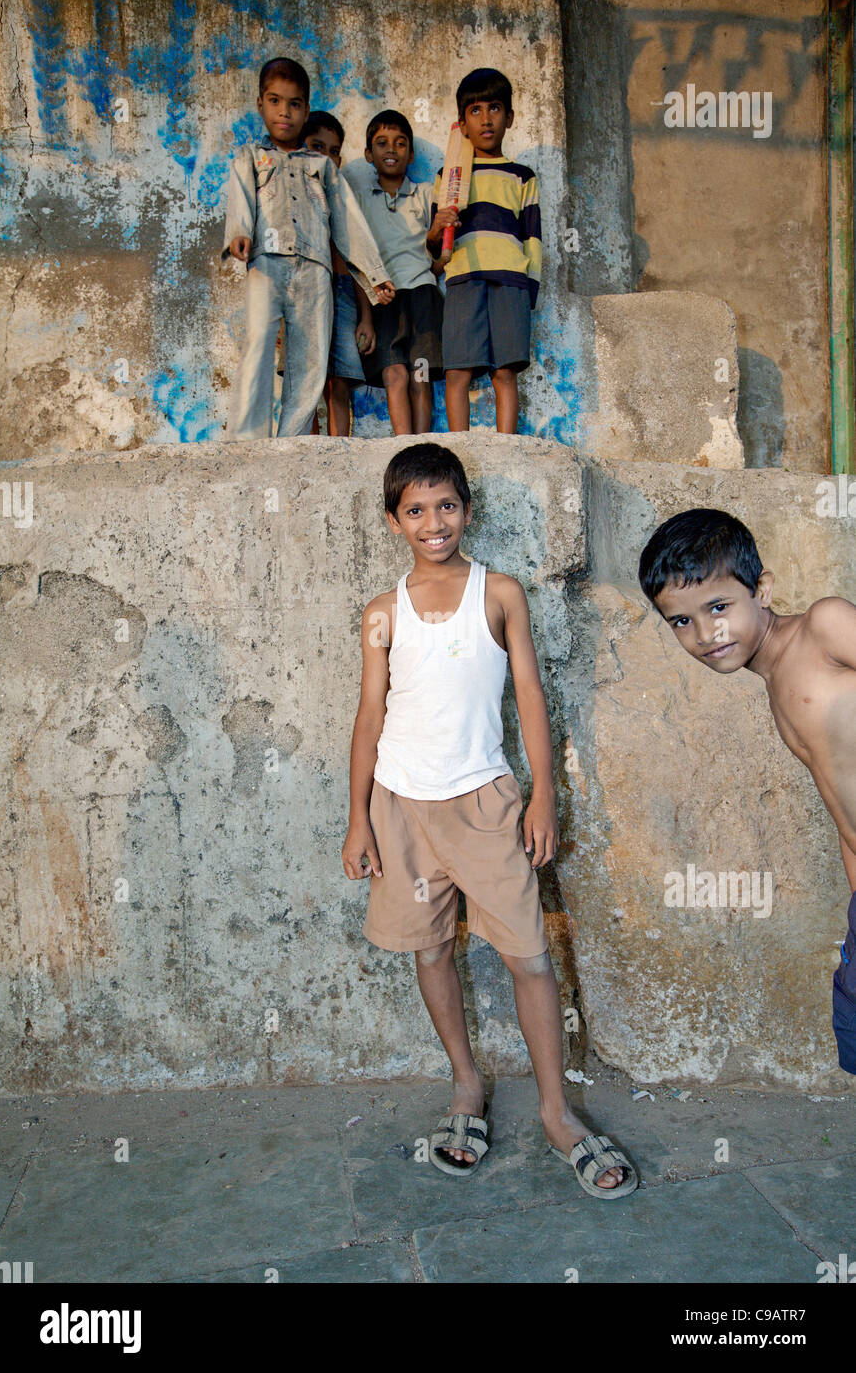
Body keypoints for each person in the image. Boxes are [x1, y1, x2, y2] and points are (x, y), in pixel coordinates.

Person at [341, 442, 637, 1196]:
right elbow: (369, 716)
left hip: (483, 799)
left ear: (467, 510)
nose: (433, 522)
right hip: (402, 806)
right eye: (416, 510)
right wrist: (359, 819)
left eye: (446, 506)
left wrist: (543, 795)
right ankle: (466, 1086)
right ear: (394, 521)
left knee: (528, 956)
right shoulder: (383, 613)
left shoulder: (498, 593)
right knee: (431, 948)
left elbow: (530, 695)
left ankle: (555, 1112)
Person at [638, 508, 856, 1074]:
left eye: (717, 607)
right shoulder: (777, 684)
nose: (706, 634)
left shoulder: (825, 627)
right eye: (681, 622)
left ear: (762, 588)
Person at [221, 56, 394, 439]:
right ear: (261, 105)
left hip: (315, 268)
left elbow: (349, 223)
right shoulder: (250, 158)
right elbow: (240, 202)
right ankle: (247, 439)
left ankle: (293, 438)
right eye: (275, 101)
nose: (285, 112)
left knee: (312, 357)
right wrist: (239, 234)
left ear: (306, 109)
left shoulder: (323, 166)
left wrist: (374, 275)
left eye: (295, 103)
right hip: (266, 263)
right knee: (259, 346)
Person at [427, 69, 542, 434]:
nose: (486, 118)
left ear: (509, 117)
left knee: (505, 370)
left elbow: (532, 238)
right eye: (475, 111)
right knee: (458, 370)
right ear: (462, 123)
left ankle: (506, 445)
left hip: (511, 279)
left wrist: (531, 290)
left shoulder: (522, 176)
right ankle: (460, 447)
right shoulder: (450, 176)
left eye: (494, 108)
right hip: (463, 276)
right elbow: (434, 248)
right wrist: (436, 231)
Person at [346, 110, 444, 434]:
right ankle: (403, 448)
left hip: (422, 297)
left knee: (420, 375)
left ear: (411, 154)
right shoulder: (359, 202)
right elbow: (356, 263)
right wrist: (366, 315)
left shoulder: (426, 194)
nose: (392, 150)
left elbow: (441, 245)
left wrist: (438, 263)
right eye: (382, 143)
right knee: (394, 375)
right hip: (382, 300)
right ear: (368, 155)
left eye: (401, 144)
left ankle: (422, 447)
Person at [301, 111, 374, 435]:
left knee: (339, 382)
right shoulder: (290, 200)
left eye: (332, 151)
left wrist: (366, 317)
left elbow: (356, 260)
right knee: (305, 383)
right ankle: (306, 452)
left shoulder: (343, 203)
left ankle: (339, 452)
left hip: (343, 291)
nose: (325, 158)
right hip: (301, 296)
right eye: (317, 147)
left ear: (340, 159)